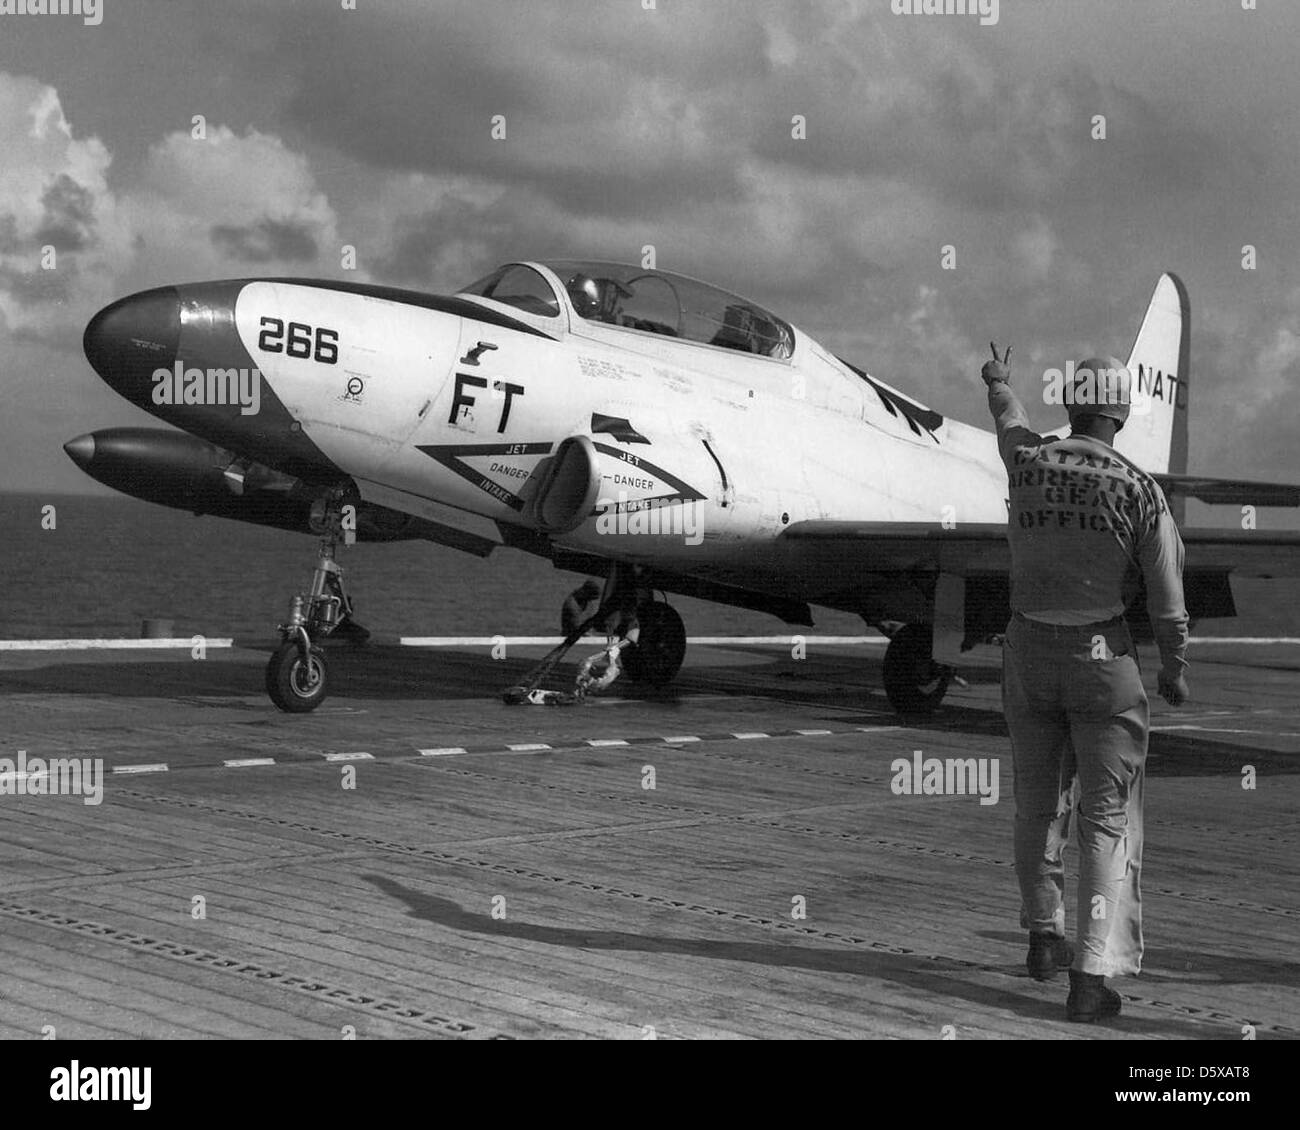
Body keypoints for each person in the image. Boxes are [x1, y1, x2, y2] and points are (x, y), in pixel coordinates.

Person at [982, 344, 1189, 1023]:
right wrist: (1173, 670)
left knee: (1035, 804)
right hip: (1102, 662)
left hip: (1026, 650)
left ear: (1070, 404)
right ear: (1123, 413)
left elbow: (1008, 421)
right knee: (1103, 823)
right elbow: (1167, 606)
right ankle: (1089, 977)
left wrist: (999, 381)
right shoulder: (1140, 490)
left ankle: (1044, 937)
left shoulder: (1028, 460)